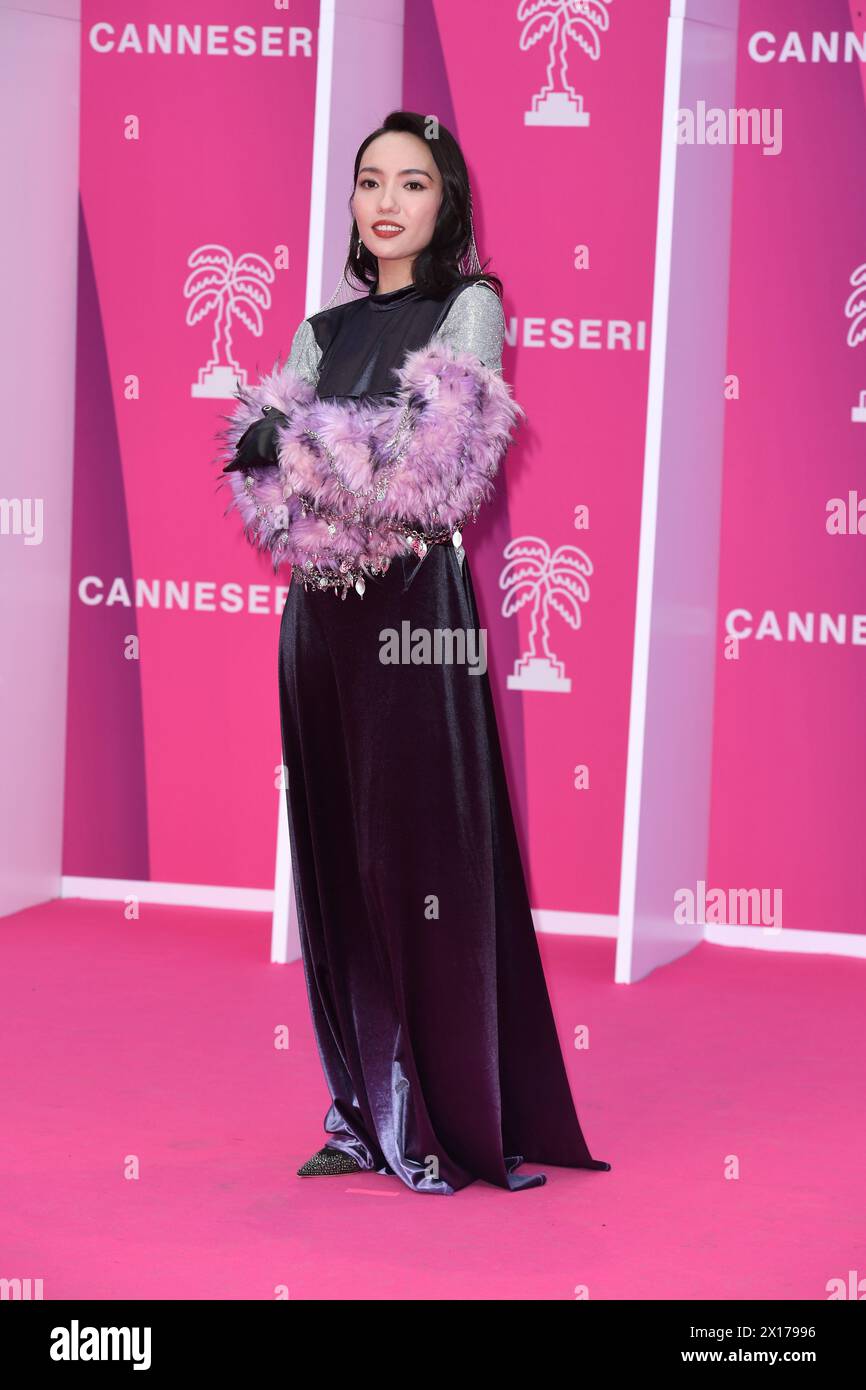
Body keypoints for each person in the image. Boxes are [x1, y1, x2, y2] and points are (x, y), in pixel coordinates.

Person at [216, 111, 610, 1195]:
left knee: (426, 862)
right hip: (317, 623)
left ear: (446, 203)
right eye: (369, 182)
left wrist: (298, 444)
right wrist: (306, 464)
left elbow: (432, 472)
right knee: (337, 865)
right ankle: (361, 1109)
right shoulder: (321, 329)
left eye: (413, 184)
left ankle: (447, 1113)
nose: (387, 202)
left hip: (412, 617)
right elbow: (265, 498)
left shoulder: (467, 307)